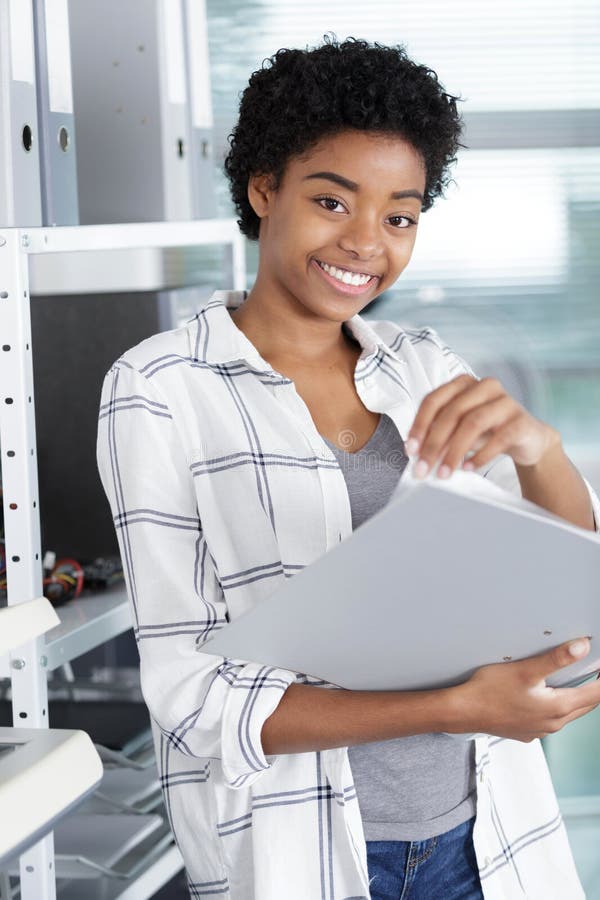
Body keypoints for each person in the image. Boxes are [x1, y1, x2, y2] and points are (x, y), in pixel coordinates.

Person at [96, 36, 600, 900]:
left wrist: (539, 449)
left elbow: (570, 582)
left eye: (399, 216)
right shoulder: (157, 390)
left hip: (487, 841)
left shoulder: (423, 363)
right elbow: (192, 700)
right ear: (264, 190)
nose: (367, 242)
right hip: (311, 853)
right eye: (334, 201)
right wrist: (453, 708)